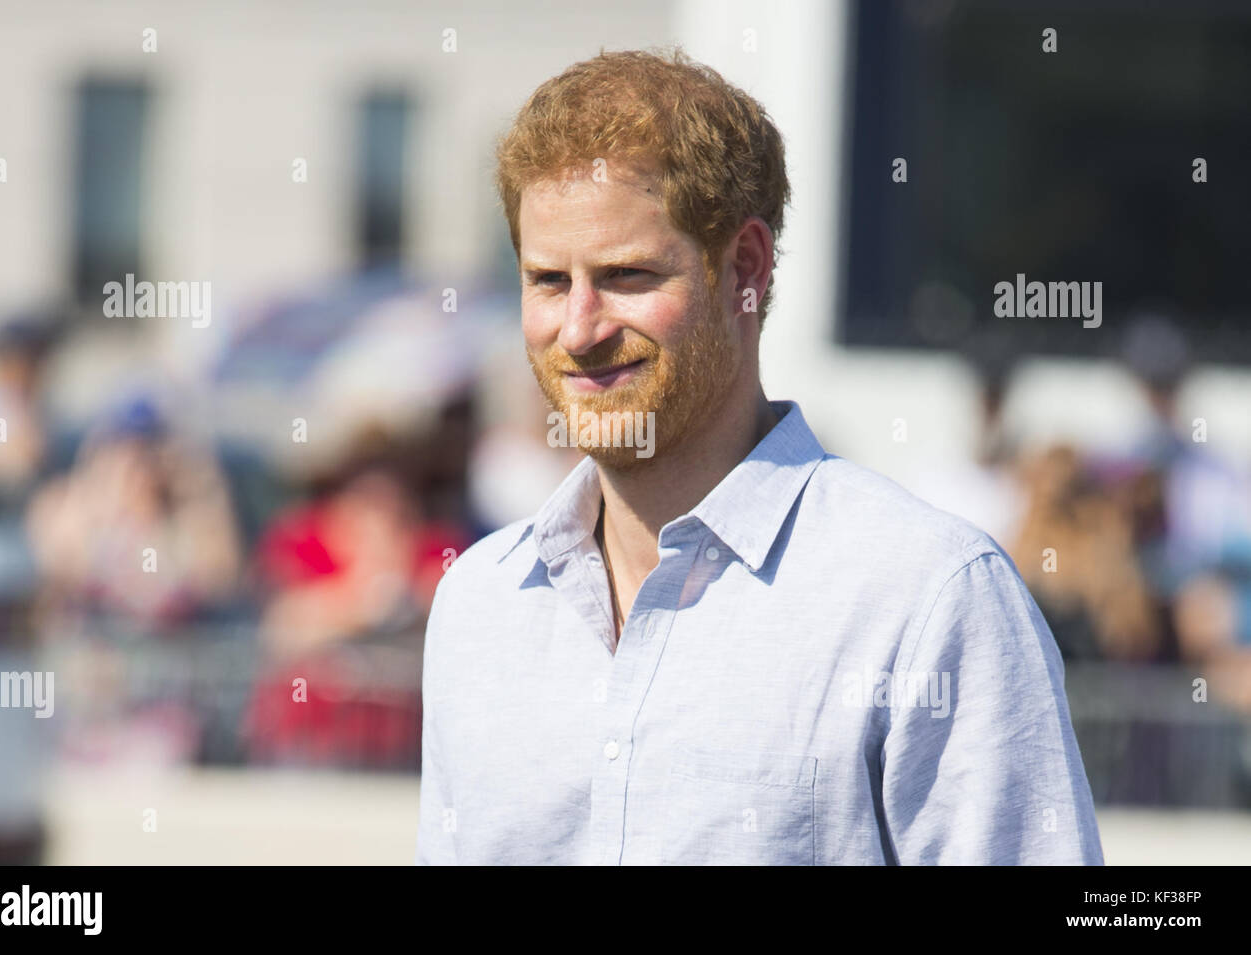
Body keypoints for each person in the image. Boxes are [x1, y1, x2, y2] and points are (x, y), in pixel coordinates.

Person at [415, 47, 1103, 865]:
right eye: (549, 281)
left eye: (626, 275)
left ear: (744, 266)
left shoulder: (926, 598)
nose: (579, 329)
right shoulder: (478, 609)